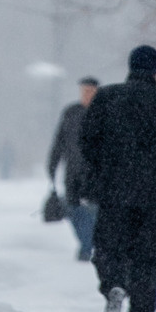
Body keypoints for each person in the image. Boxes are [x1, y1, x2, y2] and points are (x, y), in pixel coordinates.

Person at [81, 44, 156, 312]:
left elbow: (88, 142)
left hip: (113, 191)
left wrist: (101, 170)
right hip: (154, 195)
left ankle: (113, 284)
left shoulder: (107, 97)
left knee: (108, 248)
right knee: (148, 257)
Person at [47, 76, 100, 261]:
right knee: (73, 209)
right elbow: (59, 141)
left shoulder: (103, 112)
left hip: (95, 173)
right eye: (84, 90)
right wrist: (52, 166)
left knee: (92, 210)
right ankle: (87, 242)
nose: (87, 94)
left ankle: (87, 247)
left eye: (90, 90)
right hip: (72, 173)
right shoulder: (71, 112)